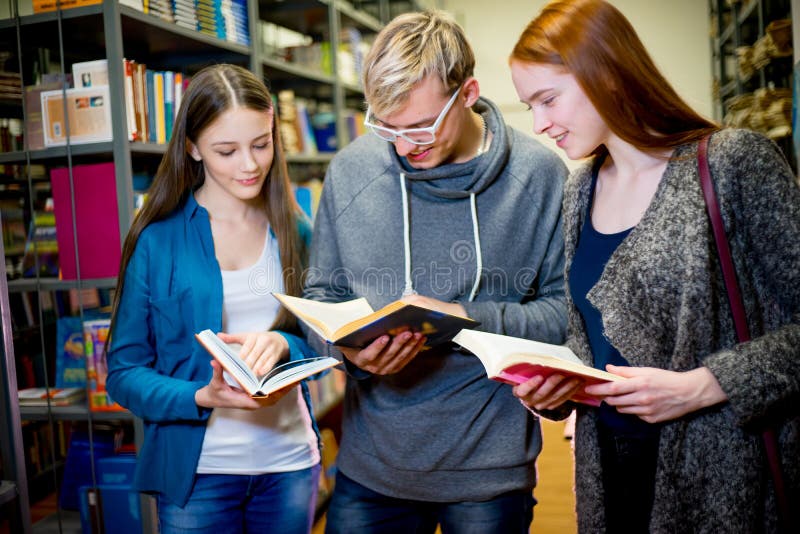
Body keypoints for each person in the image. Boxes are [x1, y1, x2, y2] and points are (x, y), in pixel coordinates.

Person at [508, 1, 800, 532]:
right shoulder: (580, 190)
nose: (539, 124)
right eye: (530, 106)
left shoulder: (731, 163)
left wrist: (705, 385)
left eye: (548, 100)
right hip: (611, 476)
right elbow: (596, 335)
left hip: (722, 481)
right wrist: (556, 387)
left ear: (606, 74)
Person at [303, 10, 568, 533]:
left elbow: (566, 313)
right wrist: (345, 351)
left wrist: (463, 318)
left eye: (421, 126)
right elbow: (321, 294)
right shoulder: (352, 170)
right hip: (370, 468)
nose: (404, 146)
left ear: (468, 93)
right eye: (386, 127)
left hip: (489, 473)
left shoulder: (539, 176)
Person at [106, 64, 322, 534]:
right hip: (199, 475)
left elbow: (323, 345)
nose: (249, 165)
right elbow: (123, 375)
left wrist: (284, 345)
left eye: (261, 144)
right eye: (227, 151)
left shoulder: (296, 230)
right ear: (192, 147)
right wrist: (201, 395)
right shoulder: (157, 241)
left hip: (289, 465)